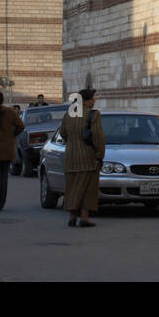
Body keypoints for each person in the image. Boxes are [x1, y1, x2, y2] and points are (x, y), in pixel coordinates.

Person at [57, 88, 105, 227]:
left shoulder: (69, 114)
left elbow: (63, 132)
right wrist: (100, 154)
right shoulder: (93, 115)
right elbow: (98, 137)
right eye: (92, 98)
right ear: (86, 101)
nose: (94, 101)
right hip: (88, 157)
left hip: (70, 156)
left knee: (72, 187)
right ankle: (84, 217)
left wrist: (73, 142)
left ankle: (72, 217)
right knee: (88, 189)